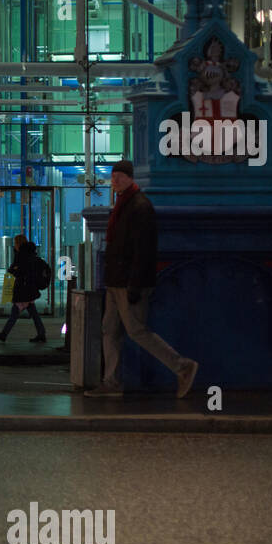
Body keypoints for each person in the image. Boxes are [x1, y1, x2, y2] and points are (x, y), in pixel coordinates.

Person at [85, 160, 200, 398]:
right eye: (113, 176)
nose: (114, 181)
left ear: (130, 178)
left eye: (118, 176)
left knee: (136, 331)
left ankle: (182, 366)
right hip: (117, 280)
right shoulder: (126, 204)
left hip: (128, 282)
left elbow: (143, 251)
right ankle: (111, 382)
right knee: (110, 330)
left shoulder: (138, 206)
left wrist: (135, 285)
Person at [0, 235, 49, 344]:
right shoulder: (29, 253)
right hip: (29, 289)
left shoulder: (22, 255)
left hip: (23, 290)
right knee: (33, 313)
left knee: (15, 313)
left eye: (15, 243)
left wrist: (13, 270)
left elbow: (17, 271)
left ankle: (4, 334)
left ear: (18, 243)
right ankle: (41, 333)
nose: (14, 245)